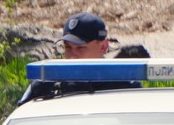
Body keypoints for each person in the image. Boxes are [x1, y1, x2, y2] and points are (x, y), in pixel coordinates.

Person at [18, 12, 146, 103]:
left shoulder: (124, 86)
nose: (72, 56)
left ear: (103, 47)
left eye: (80, 48)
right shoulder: (47, 84)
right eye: (68, 47)